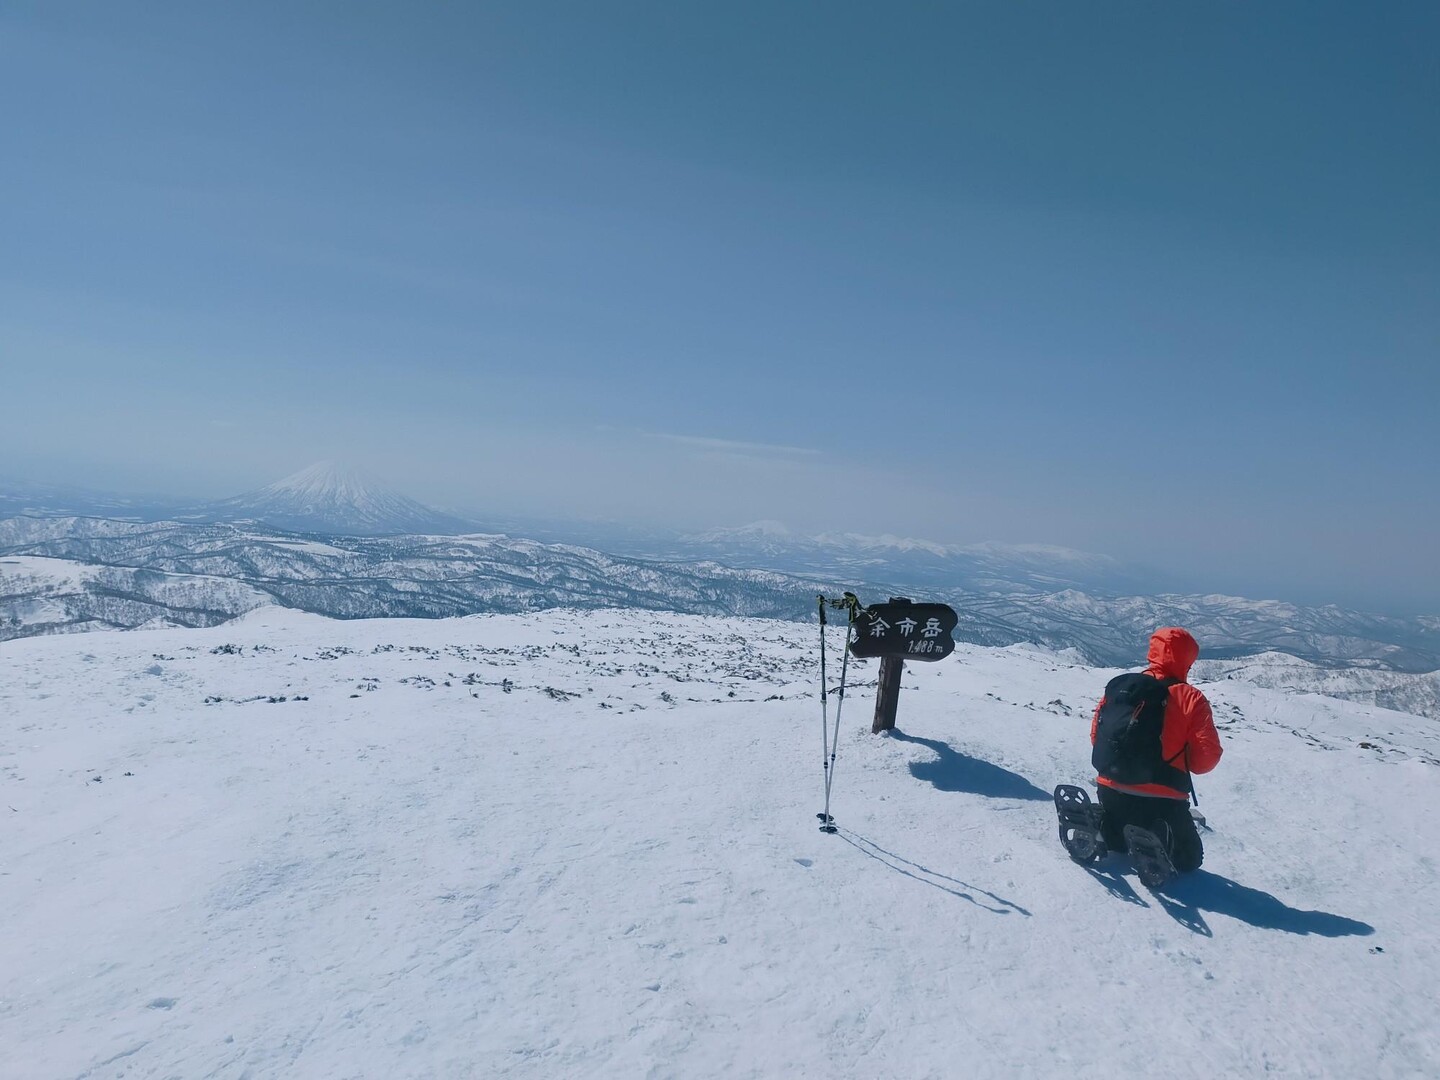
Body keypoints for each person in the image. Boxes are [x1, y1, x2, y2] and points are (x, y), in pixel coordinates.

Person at [1090, 626, 1223, 874]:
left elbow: (1096, 737)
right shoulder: (1191, 698)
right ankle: (1162, 836)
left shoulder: (1122, 687)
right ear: (1187, 660)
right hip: (1164, 799)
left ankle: (1102, 825)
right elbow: (1205, 760)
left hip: (1111, 788)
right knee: (1188, 861)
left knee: (1117, 841)